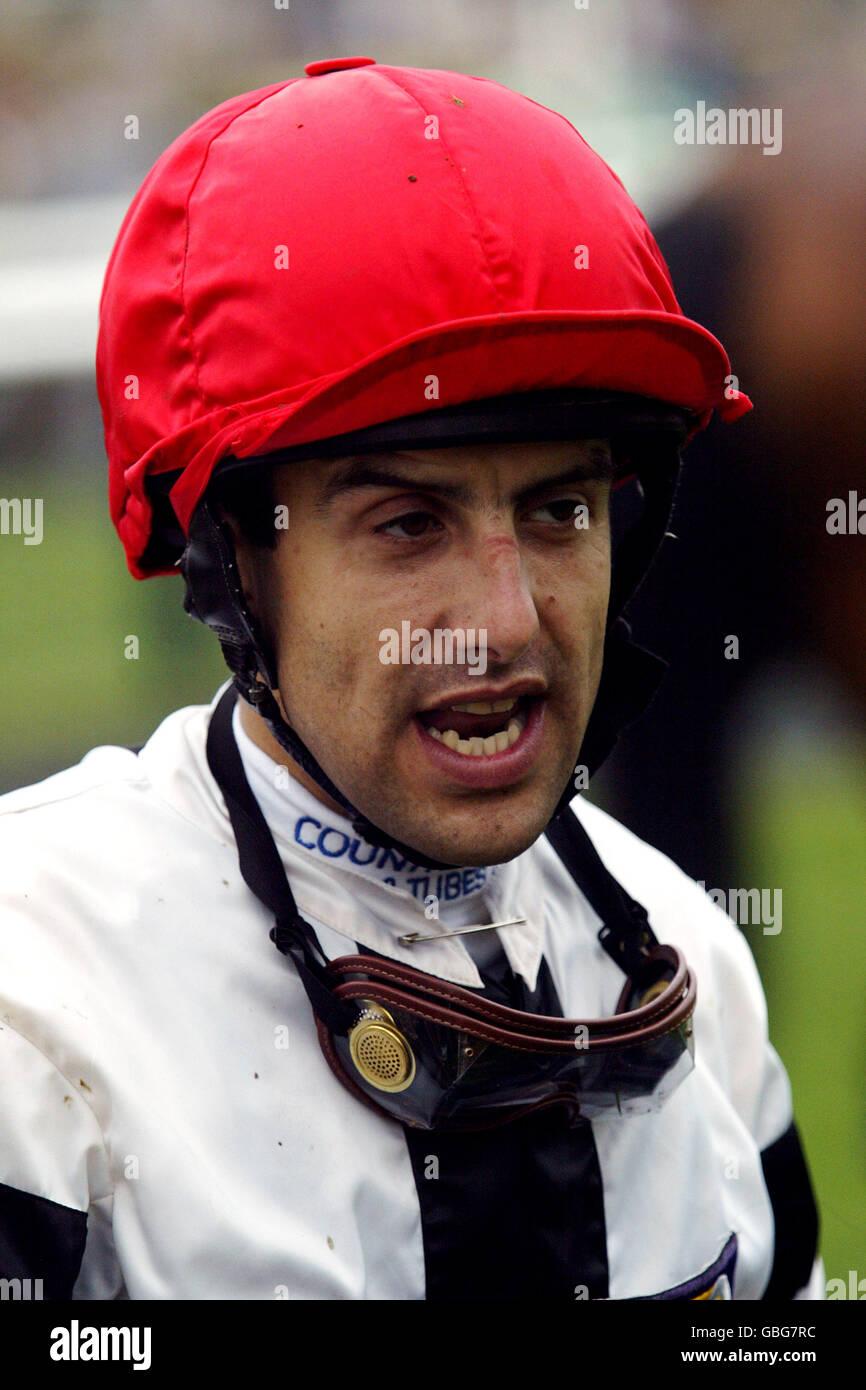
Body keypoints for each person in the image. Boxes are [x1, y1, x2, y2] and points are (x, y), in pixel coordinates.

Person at [0, 57, 821, 1300]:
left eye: (558, 511)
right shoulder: (34, 1003)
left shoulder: (691, 959)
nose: (502, 624)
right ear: (233, 557)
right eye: (406, 527)